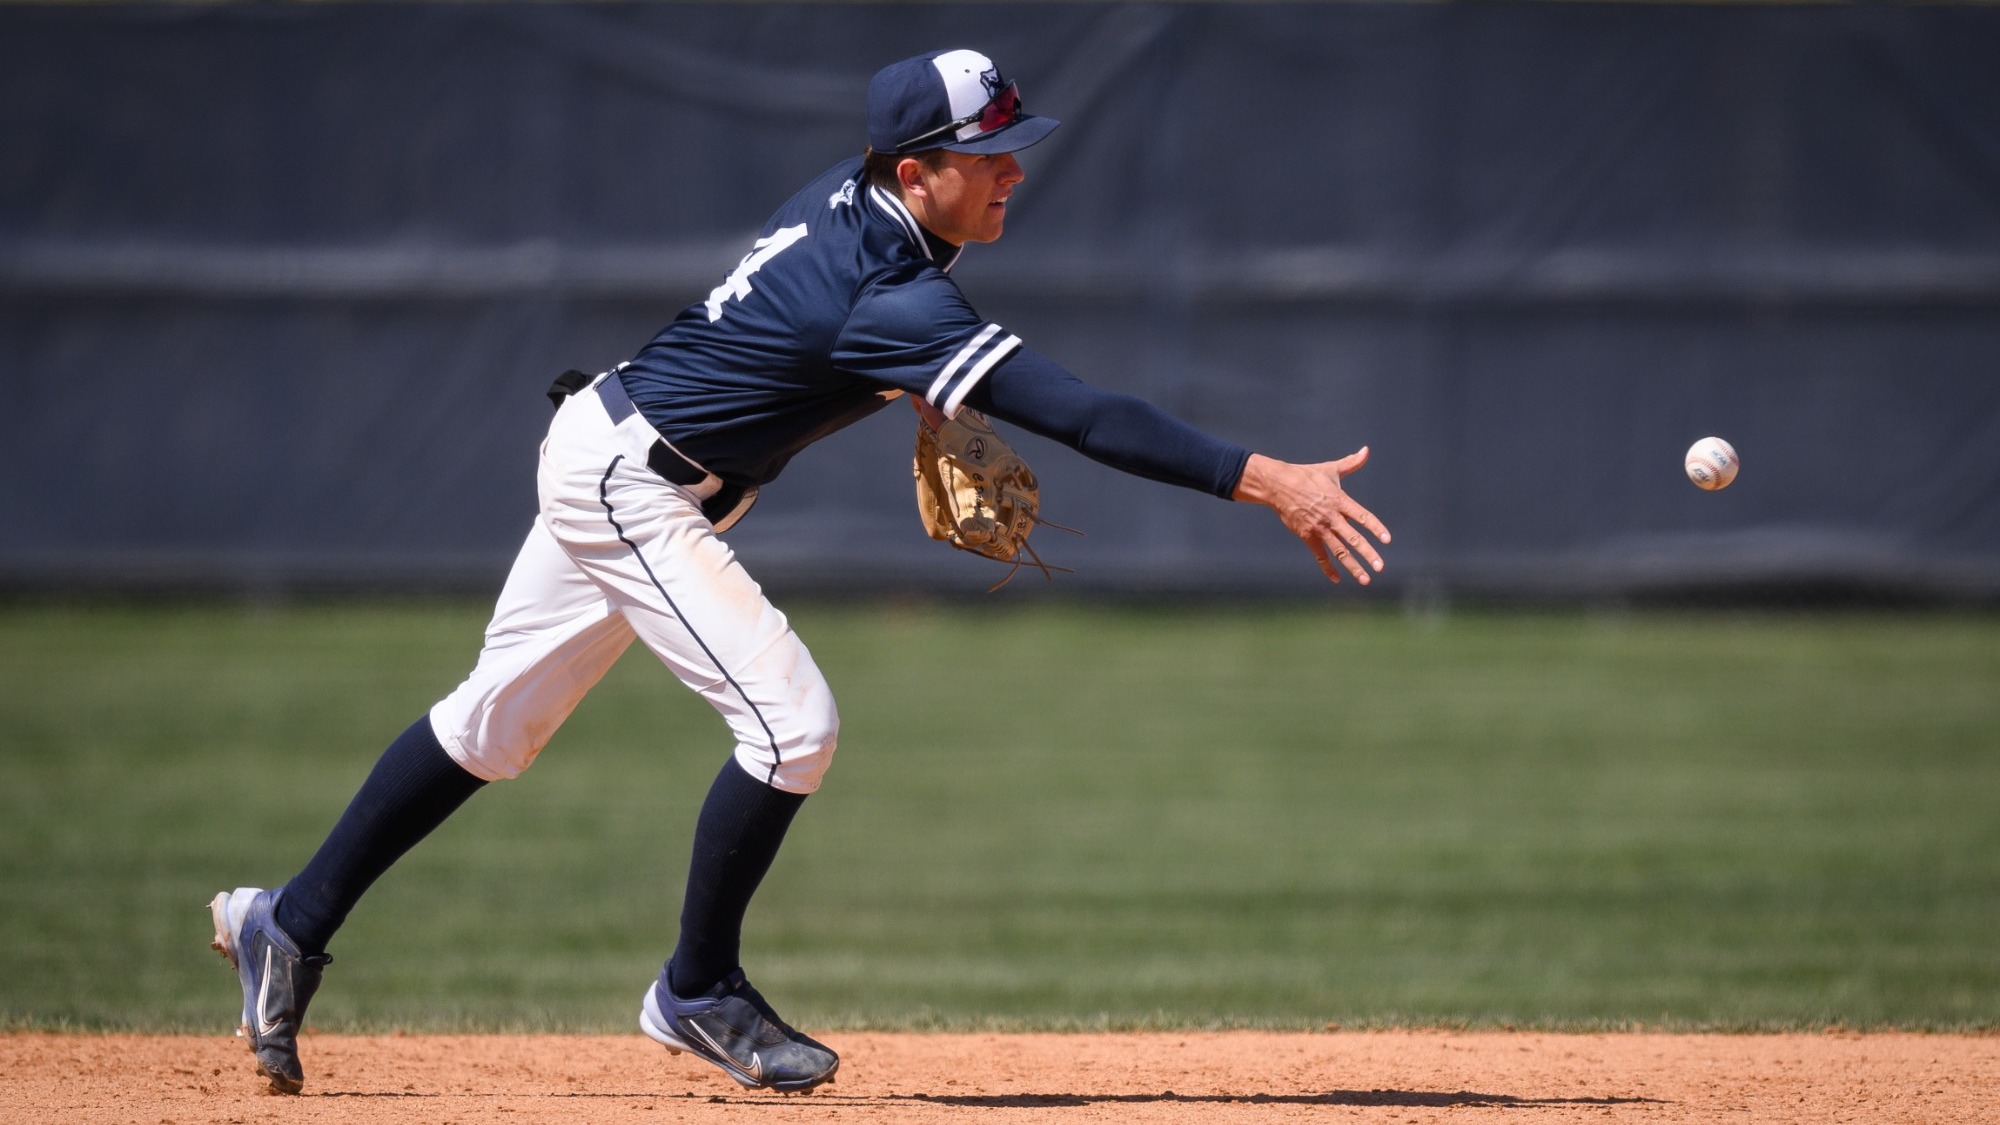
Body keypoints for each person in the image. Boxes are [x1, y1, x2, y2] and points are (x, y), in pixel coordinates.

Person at [208, 47, 1390, 1097]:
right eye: (987, 157)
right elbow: (1081, 413)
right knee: (791, 729)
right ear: (914, 170)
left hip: (611, 440)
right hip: (633, 484)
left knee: (493, 724)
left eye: (1013, 149)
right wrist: (1268, 481)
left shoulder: (862, 198)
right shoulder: (894, 295)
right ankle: (695, 987)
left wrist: (905, 381)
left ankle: (286, 920)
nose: (1012, 173)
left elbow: (816, 330)